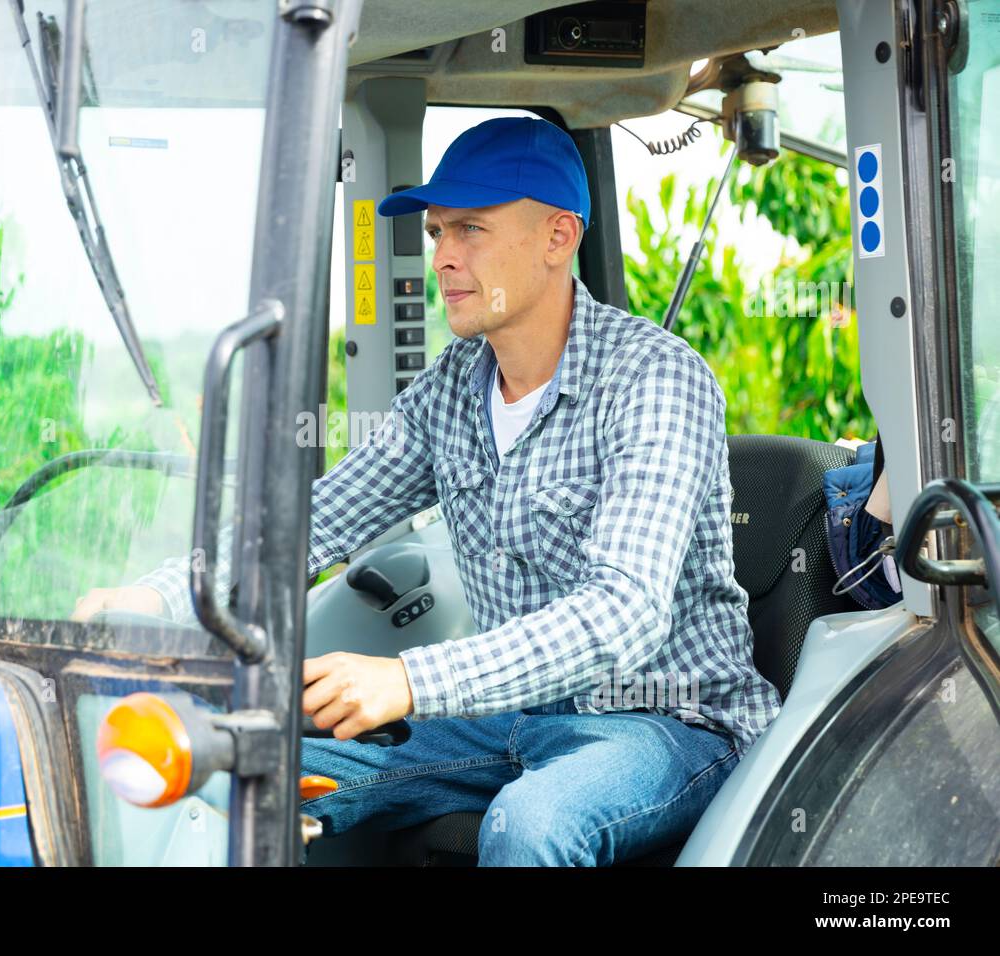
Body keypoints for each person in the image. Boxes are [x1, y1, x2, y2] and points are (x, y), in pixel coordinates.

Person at [74, 116, 782, 866]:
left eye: (469, 229)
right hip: (510, 717)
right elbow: (313, 523)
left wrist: (408, 678)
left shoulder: (656, 380)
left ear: (558, 237)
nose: (442, 257)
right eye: (437, 231)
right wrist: (162, 597)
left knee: (533, 822)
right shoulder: (450, 391)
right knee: (240, 772)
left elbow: (623, 616)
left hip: (665, 723)